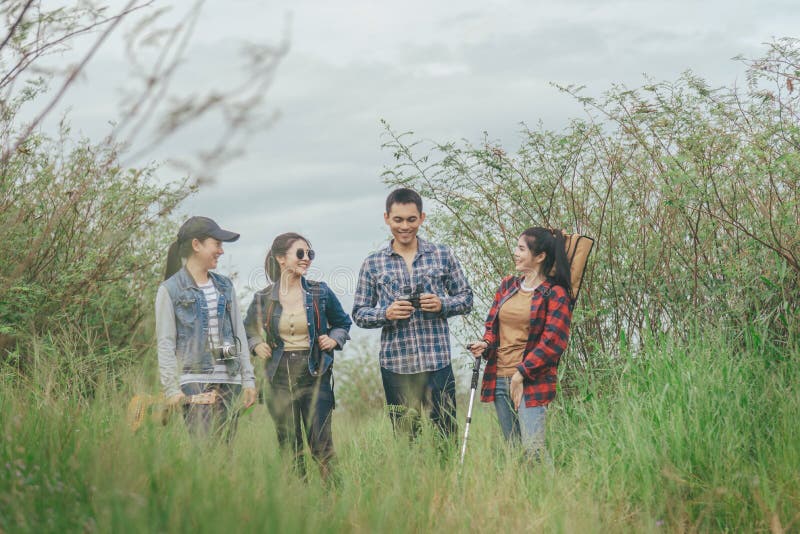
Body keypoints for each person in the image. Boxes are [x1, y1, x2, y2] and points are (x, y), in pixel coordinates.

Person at [353, 188, 473, 442]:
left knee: (446, 438)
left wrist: (442, 304)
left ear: (422, 218)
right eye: (398, 220)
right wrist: (386, 313)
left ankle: (445, 482)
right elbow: (359, 313)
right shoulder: (372, 263)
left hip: (437, 362)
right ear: (387, 218)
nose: (405, 226)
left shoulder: (442, 254)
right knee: (407, 440)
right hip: (396, 366)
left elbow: (466, 298)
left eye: (411, 219)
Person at [244, 232, 351, 480]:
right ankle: (299, 505)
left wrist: (334, 338)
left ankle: (334, 502)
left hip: (315, 374)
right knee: (290, 448)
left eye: (310, 254)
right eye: (300, 254)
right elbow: (247, 329)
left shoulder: (319, 292)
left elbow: (343, 323)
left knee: (321, 446)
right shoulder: (263, 298)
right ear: (281, 258)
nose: (307, 259)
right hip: (278, 377)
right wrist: (256, 344)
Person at [469, 227, 573, 461]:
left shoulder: (555, 294)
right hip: (499, 378)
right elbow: (492, 327)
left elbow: (553, 343)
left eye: (521, 249)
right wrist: (485, 344)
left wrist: (521, 373)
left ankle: (552, 496)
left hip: (531, 382)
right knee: (514, 452)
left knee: (534, 450)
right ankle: (522, 497)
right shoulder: (508, 286)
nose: (515, 253)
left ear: (540, 256)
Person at [155, 216, 257, 439]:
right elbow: (166, 342)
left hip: (229, 381)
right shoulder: (170, 290)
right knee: (203, 450)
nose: (221, 251)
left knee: (225, 454)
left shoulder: (224, 285)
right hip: (193, 381)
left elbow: (237, 334)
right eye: (217, 244)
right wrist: (171, 389)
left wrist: (247, 378)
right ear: (196, 245)